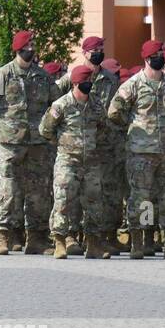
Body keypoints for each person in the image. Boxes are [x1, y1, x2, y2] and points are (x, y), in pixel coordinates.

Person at [106, 39, 165, 259]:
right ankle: (139, 242)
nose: (161, 58)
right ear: (146, 58)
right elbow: (114, 112)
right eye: (157, 55)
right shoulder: (133, 85)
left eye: (162, 54)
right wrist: (135, 128)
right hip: (141, 152)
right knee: (142, 199)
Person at [0, 30, 58, 255]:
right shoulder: (2, 75)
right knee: (8, 189)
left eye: (33, 44)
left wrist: (46, 127)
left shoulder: (42, 76)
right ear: (18, 48)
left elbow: (56, 103)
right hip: (10, 143)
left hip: (37, 143)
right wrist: (3, 122)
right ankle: (4, 236)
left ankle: (36, 239)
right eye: (28, 44)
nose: (31, 48)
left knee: (38, 191)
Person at [39, 64, 109, 259]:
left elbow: (103, 127)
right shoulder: (61, 105)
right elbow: (45, 130)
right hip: (67, 161)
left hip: (91, 162)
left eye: (90, 82)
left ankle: (93, 243)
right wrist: (62, 143)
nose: (88, 85)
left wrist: (92, 142)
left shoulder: (96, 104)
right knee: (62, 201)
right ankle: (60, 242)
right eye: (85, 82)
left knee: (94, 201)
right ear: (75, 84)